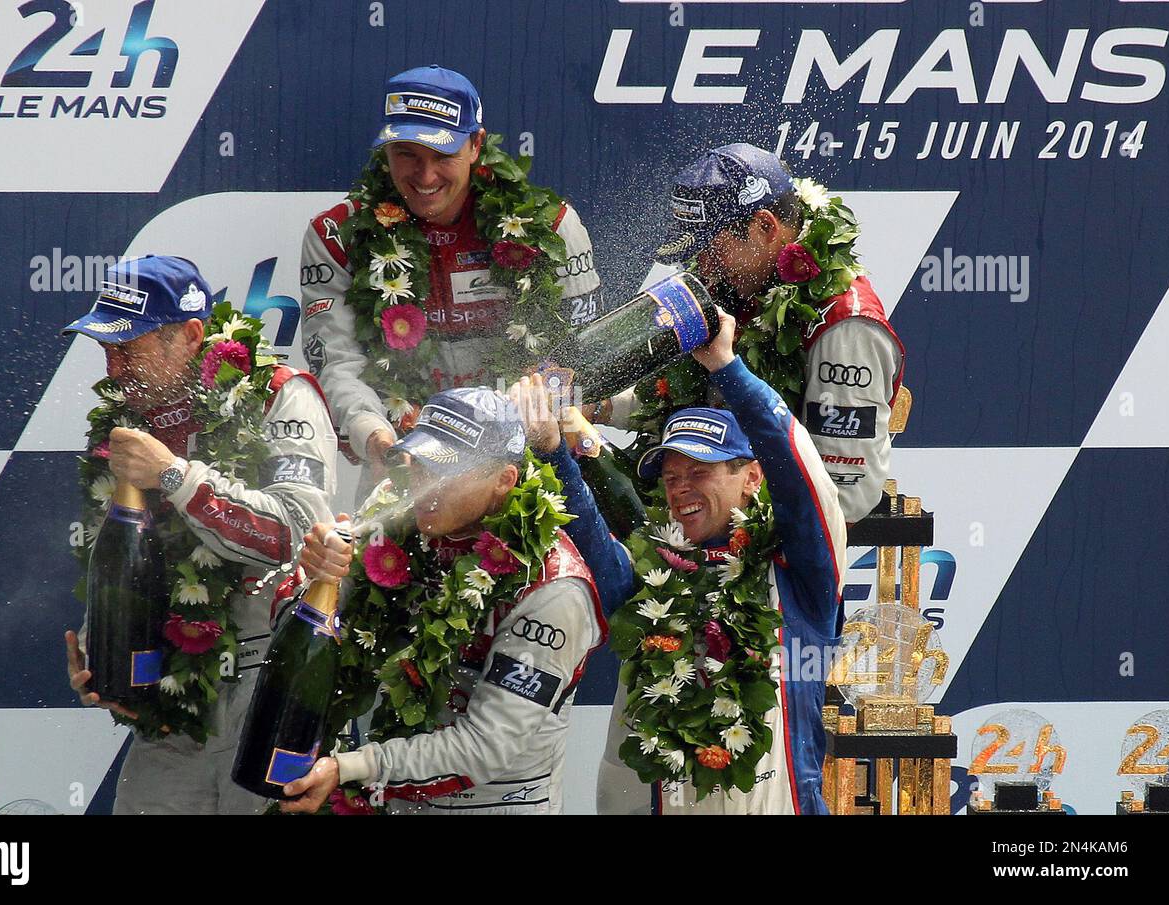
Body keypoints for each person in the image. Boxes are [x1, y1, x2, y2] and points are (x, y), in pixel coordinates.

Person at [511, 307, 846, 814]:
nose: (681, 488)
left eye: (700, 471)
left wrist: (726, 368)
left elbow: (799, 469)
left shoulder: (799, 573)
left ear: (753, 477)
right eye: (670, 477)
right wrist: (554, 450)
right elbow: (592, 542)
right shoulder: (653, 574)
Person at [61, 255, 337, 814]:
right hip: (172, 697)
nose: (113, 369)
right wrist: (104, 644)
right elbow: (121, 553)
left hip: (266, 686)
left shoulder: (277, 396)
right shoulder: (125, 419)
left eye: (127, 348)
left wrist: (173, 475)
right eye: (105, 349)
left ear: (190, 337)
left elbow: (294, 532)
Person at [281, 387, 606, 814]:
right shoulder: (402, 529)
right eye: (421, 464)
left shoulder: (552, 586)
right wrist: (320, 576)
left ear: (504, 480)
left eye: (447, 470)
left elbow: (486, 749)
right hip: (393, 798)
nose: (425, 485)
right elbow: (291, 632)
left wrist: (350, 768)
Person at [300, 65, 604, 479]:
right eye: (406, 154)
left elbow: (583, 353)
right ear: (384, 151)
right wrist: (375, 436)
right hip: (406, 465)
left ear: (476, 144)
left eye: (442, 156)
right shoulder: (338, 235)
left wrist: (534, 420)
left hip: (533, 467)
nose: (424, 177)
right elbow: (337, 362)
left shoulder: (549, 227)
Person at [609, 143, 904, 524]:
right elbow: (682, 402)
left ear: (765, 227)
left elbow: (844, 495)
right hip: (715, 520)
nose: (704, 267)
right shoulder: (739, 288)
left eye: (712, 248)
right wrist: (598, 406)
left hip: (780, 553)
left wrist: (720, 518)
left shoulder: (845, 325)